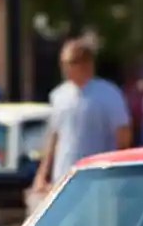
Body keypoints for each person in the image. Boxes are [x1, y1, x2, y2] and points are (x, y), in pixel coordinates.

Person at [33, 38, 132, 193]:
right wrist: (41, 175)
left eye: (71, 62)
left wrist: (117, 172)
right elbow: (54, 136)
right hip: (63, 177)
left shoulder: (108, 94)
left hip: (98, 178)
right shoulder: (59, 95)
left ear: (87, 64)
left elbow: (123, 135)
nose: (65, 68)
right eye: (63, 63)